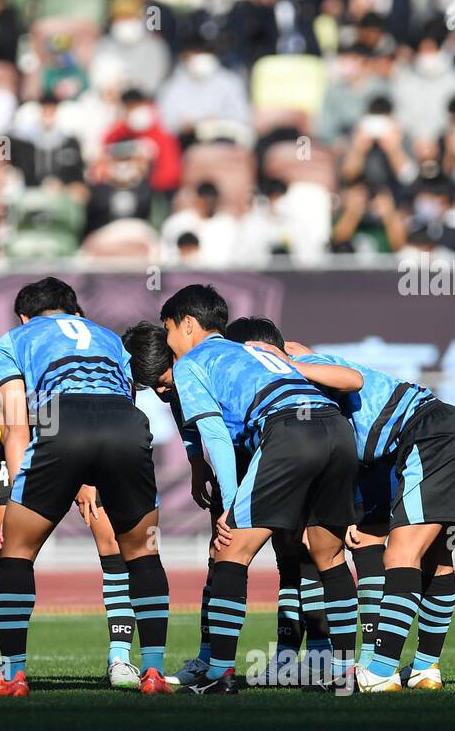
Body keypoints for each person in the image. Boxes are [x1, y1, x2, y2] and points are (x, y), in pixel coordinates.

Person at [129, 285, 359, 694]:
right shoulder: (251, 347)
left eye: (167, 330)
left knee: (229, 549)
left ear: (187, 325)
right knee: (329, 555)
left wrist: (231, 504)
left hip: (288, 432)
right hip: (336, 430)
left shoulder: (190, 363)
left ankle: (219, 674)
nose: (167, 342)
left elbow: (215, 434)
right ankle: (344, 674)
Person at [243, 323, 455, 693]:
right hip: (447, 431)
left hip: (427, 436)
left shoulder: (301, 366)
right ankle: (424, 669)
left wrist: (292, 361)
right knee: (436, 558)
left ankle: (380, 670)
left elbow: (352, 378)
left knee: (402, 555)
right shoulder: (297, 378)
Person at [0, 277, 171, 697]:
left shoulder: (13, 338)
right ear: (75, 311)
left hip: (60, 418)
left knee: (17, 549)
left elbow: (16, 425)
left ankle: (13, 673)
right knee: (143, 551)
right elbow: (123, 403)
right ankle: (154, 672)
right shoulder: (109, 337)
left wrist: (19, 496)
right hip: (124, 423)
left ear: (26, 315)